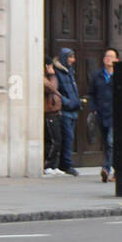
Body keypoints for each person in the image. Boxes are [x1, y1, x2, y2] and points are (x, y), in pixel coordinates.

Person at [88, 48, 118, 182]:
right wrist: (94, 108)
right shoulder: (97, 75)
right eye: (107, 56)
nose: (109, 59)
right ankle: (117, 170)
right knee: (107, 143)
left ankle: (106, 168)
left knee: (111, 142)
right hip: (102, 113)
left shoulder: (119, 75)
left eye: (112, 56)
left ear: (117, 60)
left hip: (115, 114)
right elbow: (91, 93)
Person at [53, 48, 81, 176]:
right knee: (68, 137)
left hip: (73, 109)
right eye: (70, 57)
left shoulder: (69, 71)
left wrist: (77, 102)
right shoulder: (58, 72)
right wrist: (67, 102)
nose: (73, 60)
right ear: (64, 58)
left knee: (70, 137)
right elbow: (56, 91)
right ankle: (66, 164)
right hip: (65, 111)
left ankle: (65, 162)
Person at [43, 58, 62, 176]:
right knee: (54, 140)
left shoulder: (48, 77)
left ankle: (54, 165)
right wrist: (52, 75)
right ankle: (48, 165)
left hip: (54, 112)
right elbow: (52, 88)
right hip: (48, 112)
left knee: (57, 140)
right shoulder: (44, 77)